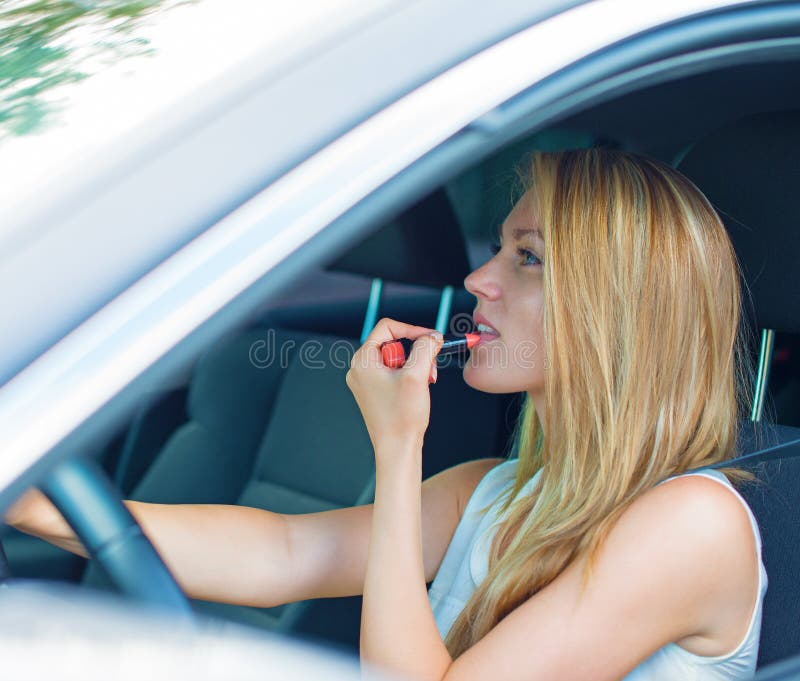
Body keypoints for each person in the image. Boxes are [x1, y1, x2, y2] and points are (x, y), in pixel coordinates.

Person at [5, 148, 765, 681]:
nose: (477, 277)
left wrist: (398, 447)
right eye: (498, 248)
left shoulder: (692, 524)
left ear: (618, 310)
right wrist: (31, 503)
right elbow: (282, 554)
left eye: (527, 257)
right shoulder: (494, 491)